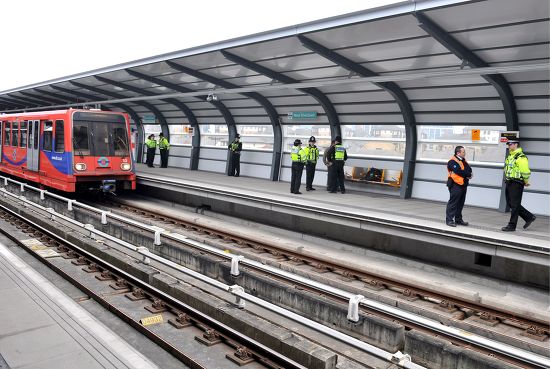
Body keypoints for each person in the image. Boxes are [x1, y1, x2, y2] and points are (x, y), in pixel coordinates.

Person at [502, 140, 536, 232]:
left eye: (510, 144)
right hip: (509, 181)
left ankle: (512, 225)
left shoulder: (521, 157)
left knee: (514, 205)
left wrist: (526, 181)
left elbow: (525, 171)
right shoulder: (510, 156)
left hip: (517, 183)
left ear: (516, 144)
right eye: (508, 144)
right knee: (510, 203)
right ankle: (529, 217)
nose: (509, 146)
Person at [445, 146, 472, 227]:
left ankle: (458, 219)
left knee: (460, 203)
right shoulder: (452, 162)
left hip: (463, 184)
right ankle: (449, 220)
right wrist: (468, 174)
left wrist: (468, 173)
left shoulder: (463, 160)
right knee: (453, 203)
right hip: (455, 185)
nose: (465, 153)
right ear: (458, 153)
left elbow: (469, 169)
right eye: (463, 152)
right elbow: (458, 171)